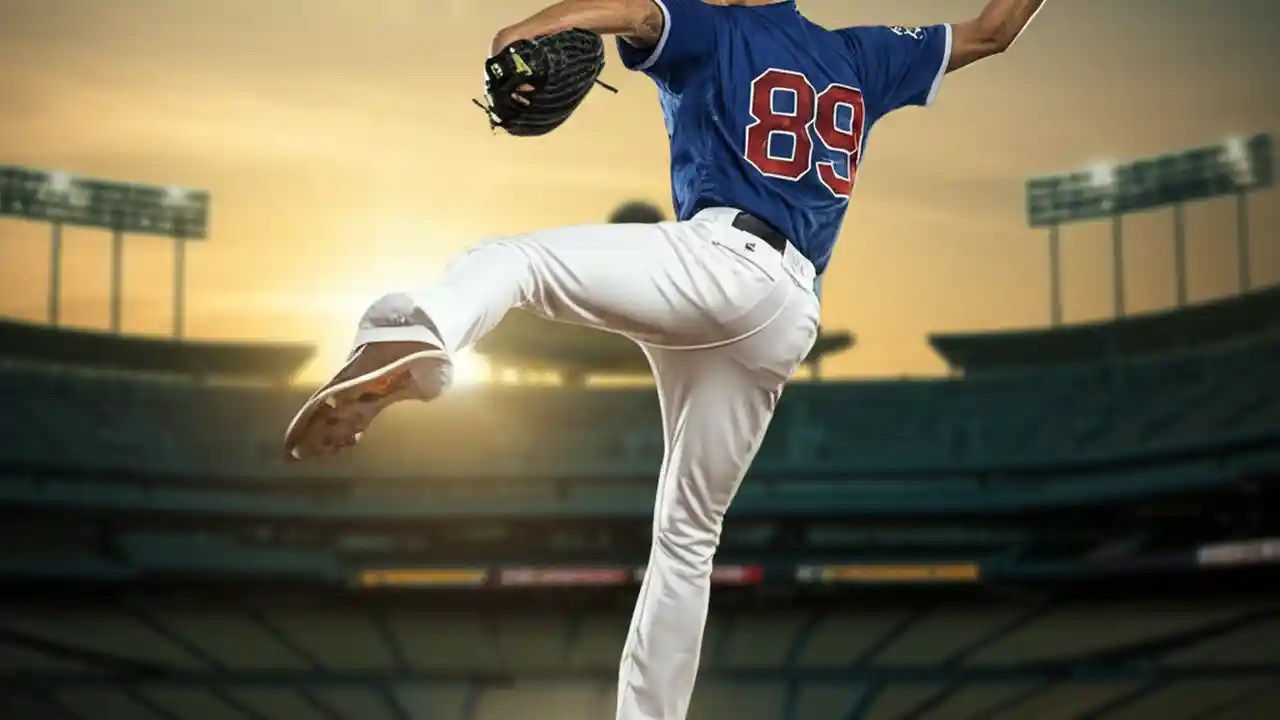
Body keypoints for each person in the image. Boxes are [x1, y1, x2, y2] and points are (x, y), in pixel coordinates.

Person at [284, 1, 1048, 717]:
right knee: (687, 536)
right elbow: (994, 30)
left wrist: (518, 31)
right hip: (788, 312)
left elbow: (635, 11)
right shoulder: (862, 53)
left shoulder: (712, 27)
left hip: (722, 262)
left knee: (514, 263)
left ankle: (424, 340)